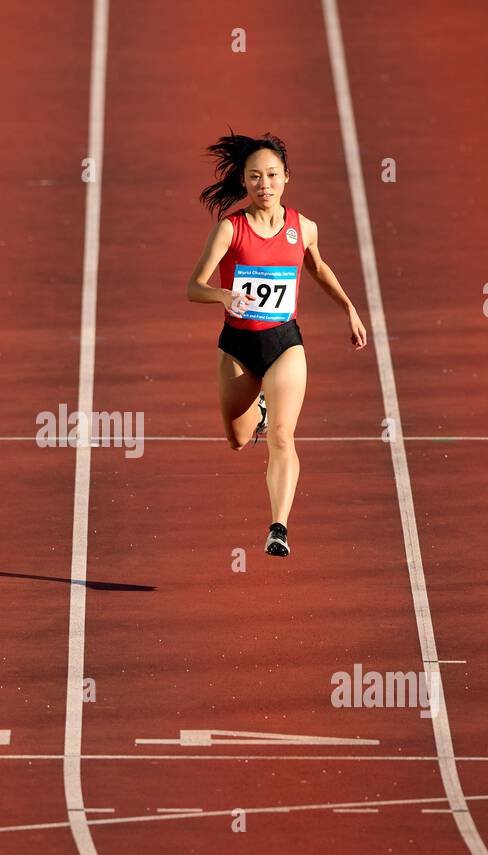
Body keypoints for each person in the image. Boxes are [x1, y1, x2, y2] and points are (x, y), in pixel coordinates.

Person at [186, 131, 368, 556]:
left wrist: (350, 309)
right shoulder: (229, 230)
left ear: (286, 177)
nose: (263, 184)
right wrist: (223, 295)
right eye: (254, 177)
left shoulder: (302, 228)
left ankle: (278, 527)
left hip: (285, 342)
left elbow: (319, 269)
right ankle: (258, 409)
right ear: (245, 182)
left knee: (282, 438)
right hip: (237, 345)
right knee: (236, 439)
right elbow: (193, 286)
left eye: (271, 175)